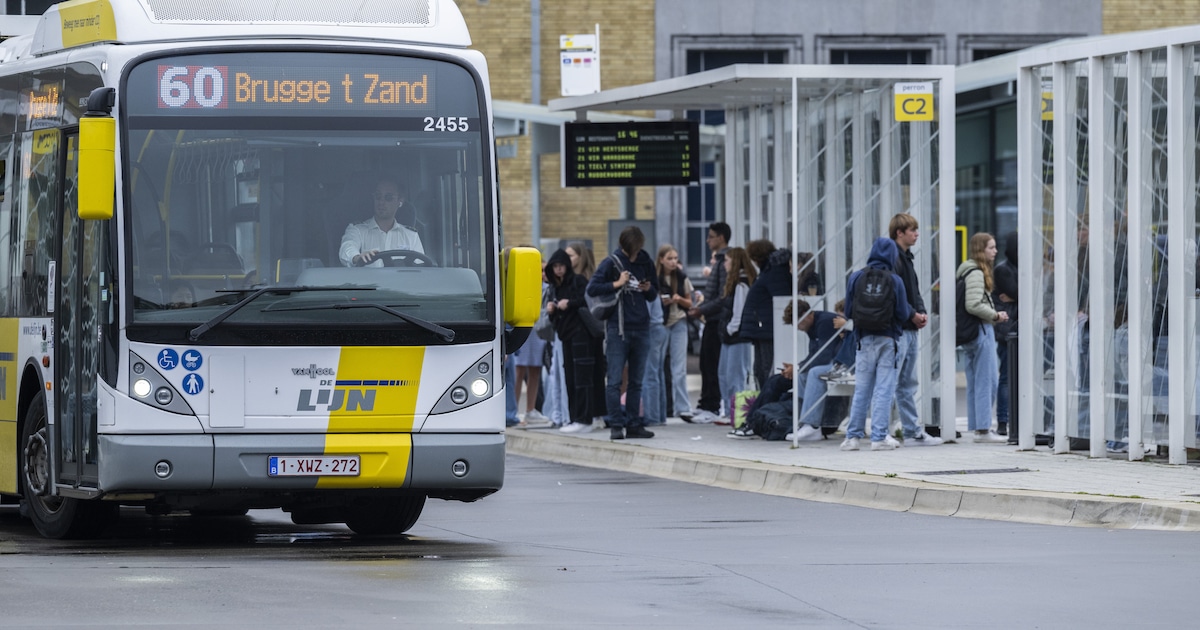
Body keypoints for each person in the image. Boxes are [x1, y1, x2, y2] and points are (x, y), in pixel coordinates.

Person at [731, 299, 845, 440]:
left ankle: (810, 424)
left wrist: (797, 367)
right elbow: (815, 355)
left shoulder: (824, 322)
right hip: (828, 362)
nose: (797, 328)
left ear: (806, 314)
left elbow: (824, 355)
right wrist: (796, 367)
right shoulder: (813, 325)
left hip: (838, 363)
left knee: (807, 374)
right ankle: (754, 422)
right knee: (776, 380)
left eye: (797, 322)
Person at [841, 237, 912, 452]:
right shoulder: (895, 280)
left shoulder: (856, 277)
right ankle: (879, 436)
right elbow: (902, 312)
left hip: (863, 339)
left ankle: (852, 438)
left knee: (862, 388)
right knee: (883, 389)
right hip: (888, 339)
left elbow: (847, 312)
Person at [587, 226, 658, 440]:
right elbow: (592, 288)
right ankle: (616, 424)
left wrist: (648, 289)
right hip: (618, 328)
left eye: (636, 250)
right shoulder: (612, 262)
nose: (634, 254)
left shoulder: (645, 260)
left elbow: (654, 294)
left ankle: (634, 424)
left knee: (637, 380)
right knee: (615, 380)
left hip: (642, 327)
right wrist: (616, 283)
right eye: (631, 251)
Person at [889, 213, 943, 446]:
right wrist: (914, 314)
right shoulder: (894, 259)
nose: (917, 234)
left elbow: (914, 291)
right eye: (912, 230)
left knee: (906, 382)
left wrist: (919, 312)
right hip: (901, 329)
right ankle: (889, 431)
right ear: (899, 233)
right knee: (893, 382)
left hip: (909, 327)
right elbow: (896, 296)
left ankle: (911, 430)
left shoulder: (907, 258)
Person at [544, 248, 606, 433]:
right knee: (570, 377)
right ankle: (575, 417)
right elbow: (557, 319)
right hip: (567, 336)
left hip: (582, 335)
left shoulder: (578, 281)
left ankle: (585, 418)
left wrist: (568, 303)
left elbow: (587, 301)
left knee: (583, 377)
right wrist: (552, 310)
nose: (559, 269)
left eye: (562, 265)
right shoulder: (555, 288)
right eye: (555, 266)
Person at [957, 232, 1009, 444]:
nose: (995, 251)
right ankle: (983, 429)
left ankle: (978, 427)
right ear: (981, 250)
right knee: (988, 381)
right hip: (980, 330)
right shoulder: (976, 273)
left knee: (976, 381)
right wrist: (996, 315)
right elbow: (973, 304)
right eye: (991, 247)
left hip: (970, 333)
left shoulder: (964, 270)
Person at [687, 222, 731, 422]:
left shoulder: (723, 263)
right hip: (712, 318)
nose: (707, 240)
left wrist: (701, 309)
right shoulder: (720, 261)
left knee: (710, 363)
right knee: (706, 363)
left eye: (711, 236)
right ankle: (706, 404)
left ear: (721, 237)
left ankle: (710, 406)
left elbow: (722, 295)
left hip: (716, 320)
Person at [739, 240, 791, 389]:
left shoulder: (773, 271)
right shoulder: (771, 270)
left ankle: (766, 399)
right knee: (761, 367)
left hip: (766, 327)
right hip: (763, 326)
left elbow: (782, 298)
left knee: (765, 367)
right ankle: (763, 398)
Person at [339, 178, 424, 267]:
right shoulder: (357, 230)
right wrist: (357, 257)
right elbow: (347, 247)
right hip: (366, 281)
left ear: (400, 201)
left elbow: (421, 269)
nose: (381, 202)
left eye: (388, 197)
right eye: (378, 196)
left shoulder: (411, 235)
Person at [716, 247, 756, 424]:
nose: (724, 264)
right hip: (729, 336)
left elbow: (739, 313)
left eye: (727, 260)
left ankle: (737, 414)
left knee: (735, 377)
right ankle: (728, 410)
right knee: (724, 374)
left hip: (737, 336)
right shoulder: (735, 283)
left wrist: (730, 329)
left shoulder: (741, 284)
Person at [656, 245, 695, 422]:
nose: (673, 262)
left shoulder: (681, 277)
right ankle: (661, 407)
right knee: (657, 366)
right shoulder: (655, 278)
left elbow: (690, 302)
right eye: (669, 258)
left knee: (679, 367)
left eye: (675, 258)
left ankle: (683, 408)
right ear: (661, 260)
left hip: (679, 321)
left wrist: (679, 299)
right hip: (661, 323)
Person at [992, 231, 1019, 437]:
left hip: (1015, 325)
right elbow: (1018, 291)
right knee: (1007, 377)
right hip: (1008, 328)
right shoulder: (1003, 270)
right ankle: (1003, 420)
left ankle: (1013, 419)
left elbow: (1017, 294)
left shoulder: (1015, 268)